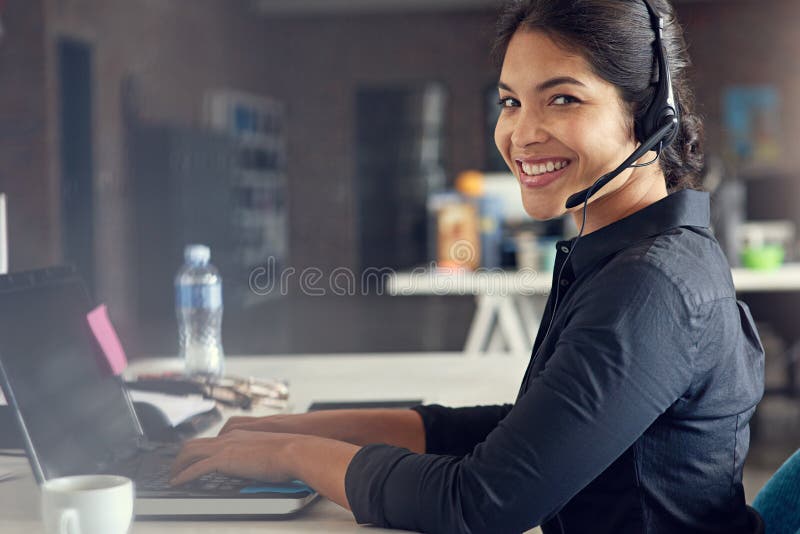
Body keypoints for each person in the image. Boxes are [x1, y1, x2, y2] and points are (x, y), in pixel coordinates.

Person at [169, 1, 765, 532]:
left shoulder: (650, 285)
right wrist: (301, 428)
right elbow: (529, 436)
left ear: (649, 113)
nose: (520, 134)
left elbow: (481, 503)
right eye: (510, 102)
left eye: (562, 98)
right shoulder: (634, 253)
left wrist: (290, 458)